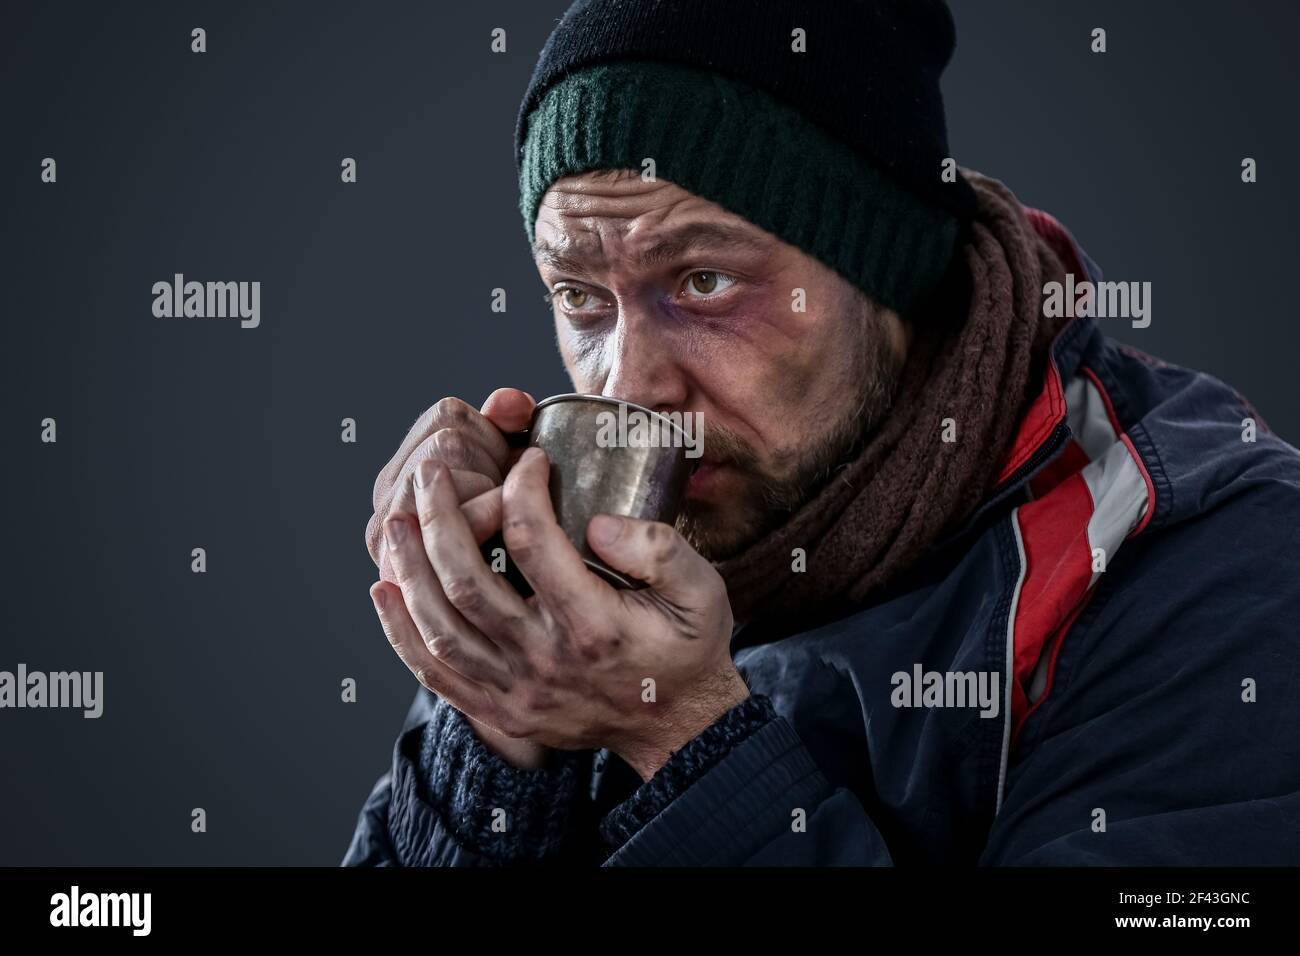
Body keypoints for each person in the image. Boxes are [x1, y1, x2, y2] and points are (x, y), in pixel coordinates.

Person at [343, 0, 1300, 866]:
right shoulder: (577, 541)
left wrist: (681, 742)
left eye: (704, 282)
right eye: (582, 299)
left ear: (892, 281)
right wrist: (500, 727)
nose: (630, 387)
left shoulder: (1218, 569)